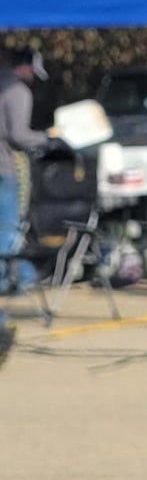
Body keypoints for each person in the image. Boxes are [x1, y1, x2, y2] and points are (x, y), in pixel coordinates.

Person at [0, 47, 50, 357]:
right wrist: (48, 138)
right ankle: (11, 284)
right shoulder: (17, 91)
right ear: (26, 67)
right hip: (3, 169)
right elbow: (18, 135)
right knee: (7, 230)